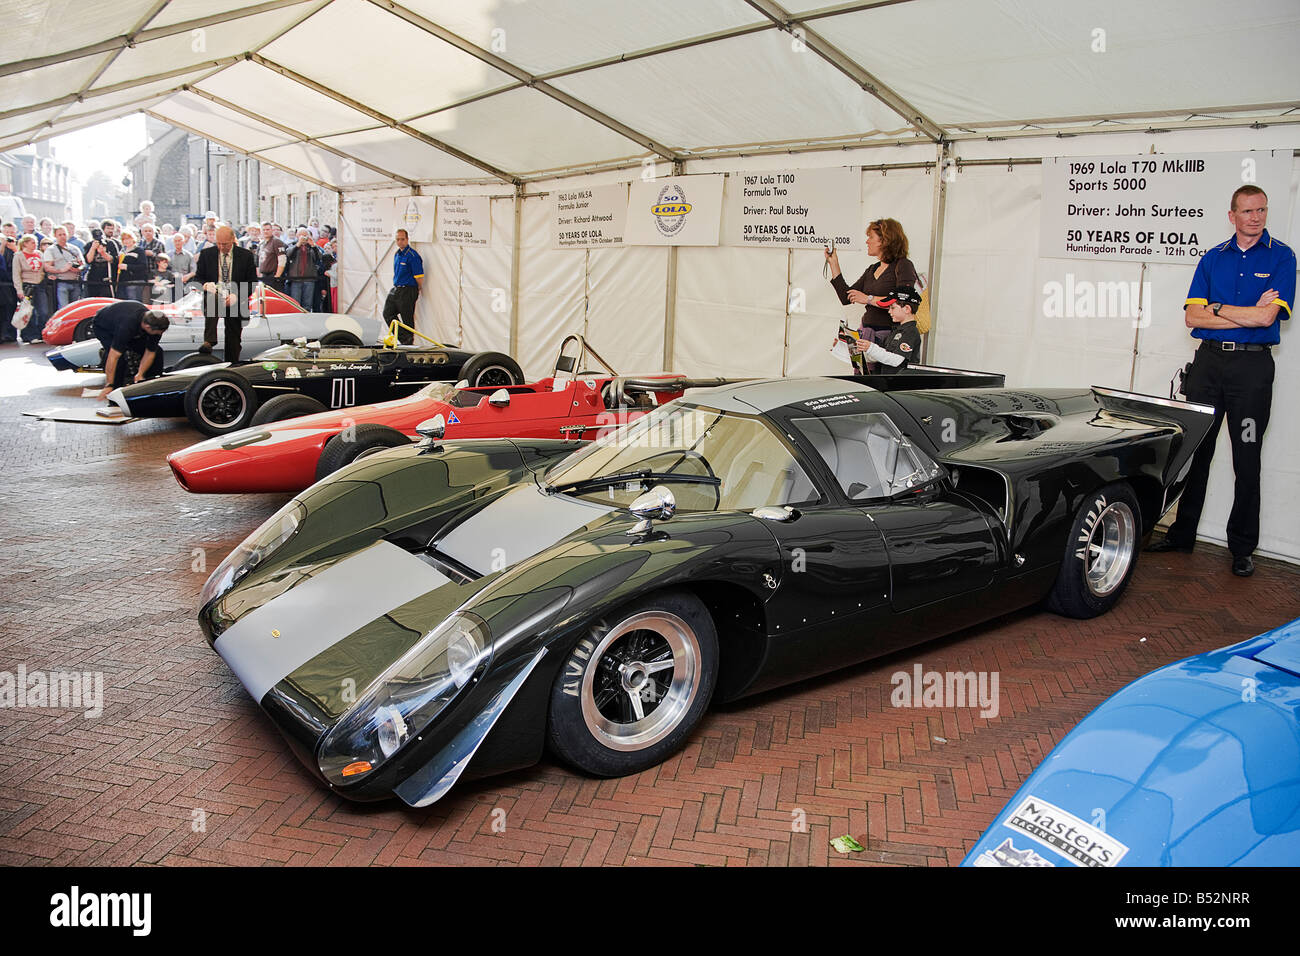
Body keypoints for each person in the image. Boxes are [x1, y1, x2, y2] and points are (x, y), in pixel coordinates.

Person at [1148, 185, 1294, 577]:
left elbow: (1267, 319)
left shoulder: (1282, 256)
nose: (1256, 217)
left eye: (1261, 210)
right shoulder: (1212, 259)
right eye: (1248, 211)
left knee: (1247, 459)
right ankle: (1182, 535)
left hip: (1252, 371)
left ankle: (1242, 548)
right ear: (1232, 216)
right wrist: (1243, 311)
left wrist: (1218, 307)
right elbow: (1193, 319)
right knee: (1196, 451)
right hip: (1209, 365)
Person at [826, 218, 919, 361]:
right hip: (865, 333)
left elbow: (902, 301)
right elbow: (847, 297)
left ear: (885, 240)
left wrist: (868, 299)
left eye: (870, 237)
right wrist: (834, 263)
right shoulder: (872, 269)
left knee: (877, 379)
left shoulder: (903, 265)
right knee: (860, 377)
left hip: (888, 336)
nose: (867, 241)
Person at [193, 224, 258, 362]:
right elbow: (197, 279)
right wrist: (205, 285)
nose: (222, 247)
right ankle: (210, 340)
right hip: (215, 295)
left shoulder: (245, 256)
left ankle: (232, 365)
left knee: (233, 339)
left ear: (233, 240)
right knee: (212, 297)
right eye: (219, 244)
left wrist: (237, 296)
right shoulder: (206, 254)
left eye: (225, 244)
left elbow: (252, 282)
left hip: (236, 299)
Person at [93, 303, 169, 397]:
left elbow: (150, 352)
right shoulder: (127, 326)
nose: (159, 334)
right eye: (158, 333)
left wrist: (140, 374)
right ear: (148, 327)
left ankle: (152, 389)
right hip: (104, 327)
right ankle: (115, 393)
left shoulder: (156, 325)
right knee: (120, 357)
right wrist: (109, 384)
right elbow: (114, 356)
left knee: (158, 352)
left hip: (129, 325)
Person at [853, 288, 922, 371]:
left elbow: (897, 360)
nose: (889, 311)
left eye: (892, 308)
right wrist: (853, 350)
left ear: (907, 309)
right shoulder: (896, 331)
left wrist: (871, 347)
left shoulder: (910, 331)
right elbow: (881, 356)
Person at [384, 228, 423, 344]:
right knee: (388, 313)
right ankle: (403, 338)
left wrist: (417, 288)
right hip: (396, 288)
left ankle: (409, 343)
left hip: (408, 290)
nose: (400, 242)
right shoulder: (397, 254)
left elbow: (419, 277)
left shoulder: (412, 256)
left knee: (407, 319)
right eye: (397, 239)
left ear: (407, 239)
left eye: (402, 239)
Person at [12, 234, 49, 343]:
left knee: (43, 311)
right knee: (28, 312)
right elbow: (16, 274)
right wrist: (19, 289)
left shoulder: (39, 254)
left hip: (40, 285)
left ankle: (41, 333)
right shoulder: (18, 256)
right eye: (32, 242)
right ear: (25, 243)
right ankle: (30, 335)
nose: (35, 244)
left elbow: (44, 268)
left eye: (36, 242)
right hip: (27, 285)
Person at [44, 226, 85, 309]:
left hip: (75, 282)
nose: (63, 236)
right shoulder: (50, 250)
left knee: (75, 308)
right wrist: (62, 270)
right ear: (55, 236)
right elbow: (47, 267)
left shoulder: (74, 249)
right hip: (61, 283)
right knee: (64, 308)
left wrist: (78, 269)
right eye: (60, 235)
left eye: (64, 234)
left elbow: (83, 264)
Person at [284, 227, 322, 311]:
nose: (303, 237)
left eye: (305, 235)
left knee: (307, 304)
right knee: (295, 303)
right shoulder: (292, 245)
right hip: (296, 279)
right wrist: (298, 245)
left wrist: (313, 245)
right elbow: (288, 254)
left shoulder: (312, 247)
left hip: (309, 279)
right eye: (301, 235)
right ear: (297, 236)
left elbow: (319, 257)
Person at [115, 229, 151, 303]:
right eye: (124, 239)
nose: (126, 241)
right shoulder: (121, 252)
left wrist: (127, 267)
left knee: (133, 302)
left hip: (135, 281)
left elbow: (143, 266)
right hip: (123, 282)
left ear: (133, 239)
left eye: (128, 238)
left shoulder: (139, 250)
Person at [83, 227, 115, 298]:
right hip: (93, 276)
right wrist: (93, 248)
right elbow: (88, 260)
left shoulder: (110, 243)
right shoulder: (89, 245)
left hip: (107, 276)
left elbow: (113, 260)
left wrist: (103, 253)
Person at [0, 223, 18, 343]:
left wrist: (15, 248)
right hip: (3, 283)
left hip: (14, 283)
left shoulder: (19, 246)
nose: (9, 236)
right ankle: (3, 334)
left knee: (12, 308)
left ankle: (11, 334)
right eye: (7, 233)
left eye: (12, 233)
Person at [257, 219, 286, 291]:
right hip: (264, 276)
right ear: (261, 231)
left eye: (268, 229)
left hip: (273, 276)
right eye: (264, 230)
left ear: (271, 230)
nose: (266, 231)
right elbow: (258, 261)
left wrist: (277, 276)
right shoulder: (261, 244)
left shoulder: (277, 242)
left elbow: (282, 260)